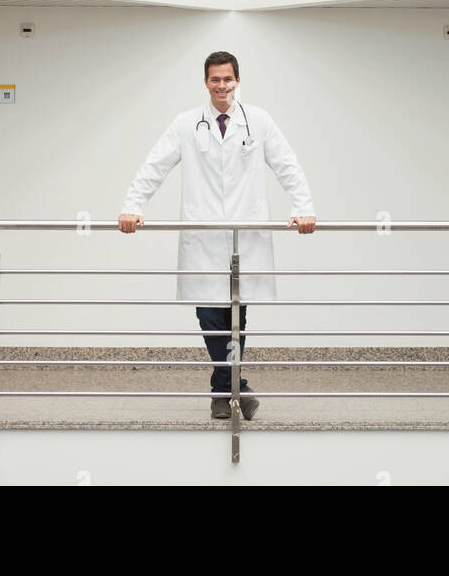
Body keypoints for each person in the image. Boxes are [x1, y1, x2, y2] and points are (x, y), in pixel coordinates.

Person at [118, 51, 316, 420]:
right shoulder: (186, 124)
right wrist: (133, 205)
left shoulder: (259, 121)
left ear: (237, 81)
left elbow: (287, 165)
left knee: (236, 318)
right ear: (205, 82)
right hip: (204, 237)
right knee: (210, 316)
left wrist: (303, 208)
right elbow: (154, 165)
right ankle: (235, 388)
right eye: (215, 80)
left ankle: (222, 392)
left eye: (227, 79)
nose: (222, 86)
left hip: (247, 236)